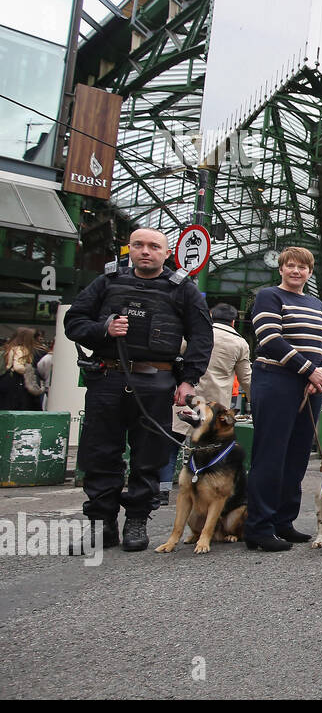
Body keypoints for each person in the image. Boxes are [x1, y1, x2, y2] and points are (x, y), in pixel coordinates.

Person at [63, 228, 212, 550]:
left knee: (149, 455)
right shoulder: (106, 282)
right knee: (100, 453)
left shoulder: (182, 290)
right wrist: (103, 328)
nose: (146, 251)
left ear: (166, 252)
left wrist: (188, 380)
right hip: (108, 378)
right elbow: (74, 323)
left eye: (154, 246)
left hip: (156, 382)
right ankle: (101, 525)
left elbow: (202, 337)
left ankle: (135, 522)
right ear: (129, 249)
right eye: (139, 245)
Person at [244, 247, 322, 552]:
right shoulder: (269, 296)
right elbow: (270, 339)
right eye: (291, 266)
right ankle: (259, 526)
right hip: (276, 380)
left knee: (296, 457)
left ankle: (284, 521)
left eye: (303, 267)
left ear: (311, 272)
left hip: (309, 387)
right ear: (281, 269)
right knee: (270, 455)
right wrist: (311, 371)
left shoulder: (318, 304)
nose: (297, 271)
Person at [158, 302, 252, 506]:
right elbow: (246, 378)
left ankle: (162, 490)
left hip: (186, 396)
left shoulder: (196, 334)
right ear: (234, 322)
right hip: (214, 406)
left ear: (210, 315)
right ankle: (205, 488)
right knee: (212, 449)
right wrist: (256, 402)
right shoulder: (239, 343)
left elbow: (175, 353)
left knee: (171, 443)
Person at [0, 328, 49, 410]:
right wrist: (29, 370)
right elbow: (18, 367)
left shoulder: (6, 349)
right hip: (17, 386)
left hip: (4, 382)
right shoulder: (22, 349)